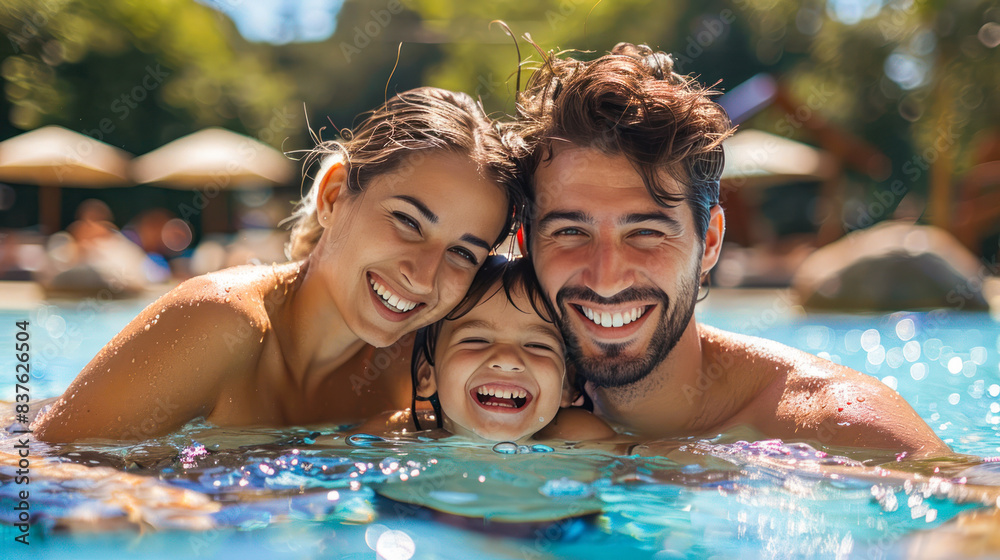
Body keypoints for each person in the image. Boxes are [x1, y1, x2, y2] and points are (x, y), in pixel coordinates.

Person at [510, 43, 950, 458]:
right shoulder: (491, 397)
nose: (606, 278)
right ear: (527, 246)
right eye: (570, 232)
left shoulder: (836, 426)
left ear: (711, 243)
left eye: (646, 233)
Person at [34, 87, 525, 442]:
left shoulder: (423, 369)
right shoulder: (218, 324)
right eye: (407, 221)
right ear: (334, 195)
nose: (422, 275)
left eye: (463, 253)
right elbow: (41, 472)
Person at [355, 256, 614, 443]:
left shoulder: (579, 438)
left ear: (566, 383)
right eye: (475, 340)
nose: (507, 360)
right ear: (426, 374)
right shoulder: (394, 437)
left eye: (538, 345)